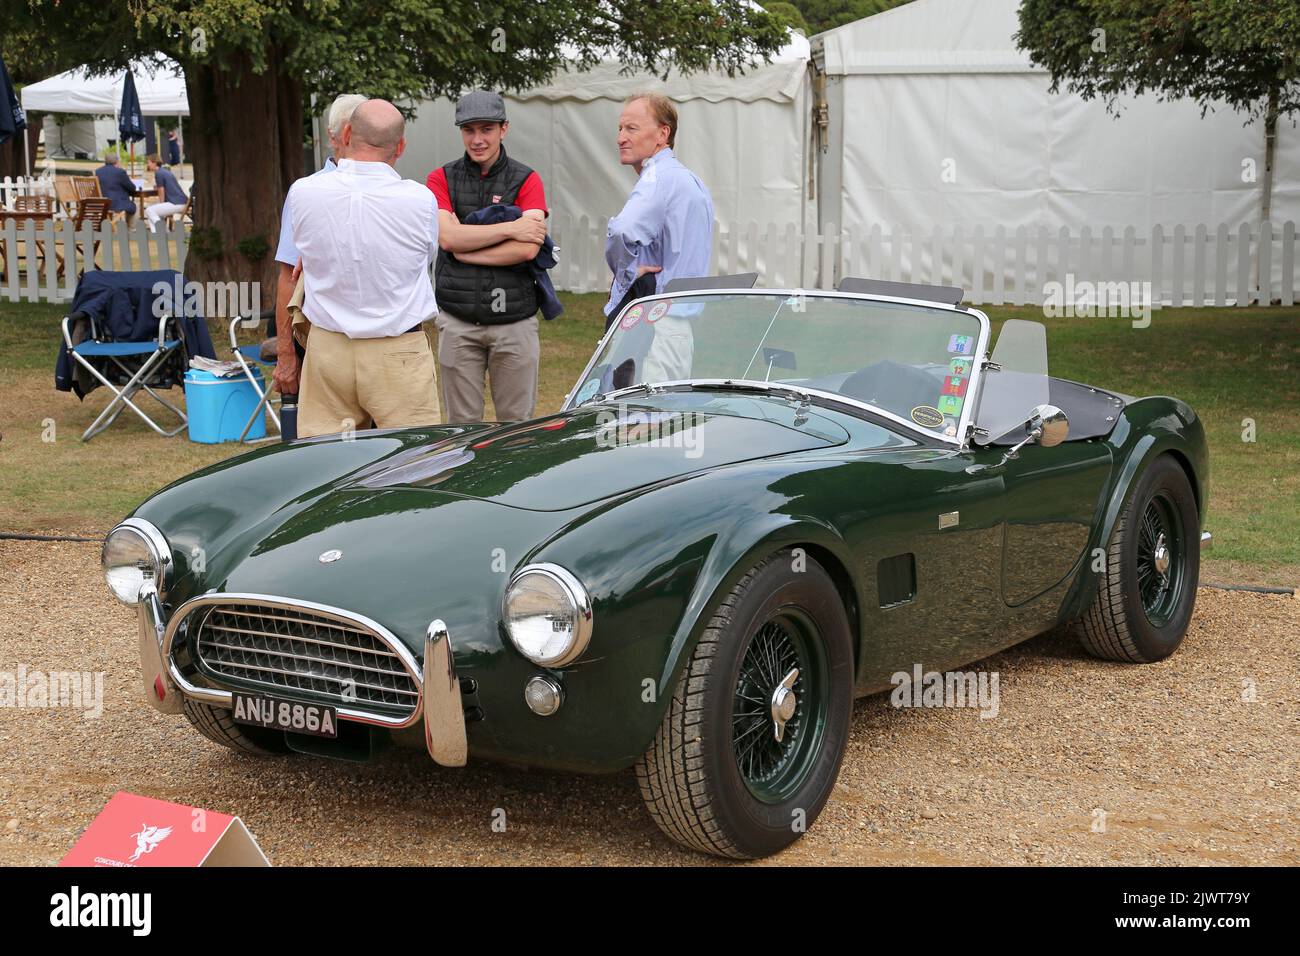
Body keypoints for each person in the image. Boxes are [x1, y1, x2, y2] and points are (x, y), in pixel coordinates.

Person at [289, 99, 441, 438]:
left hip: (328, 349)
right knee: (412, 458)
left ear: (346, 134)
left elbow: (306, 251)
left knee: (327, 459)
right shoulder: (420, 199)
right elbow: (425, 257)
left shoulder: (304, 192)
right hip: (397, 349)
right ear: (400, 147)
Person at [426, 90, 549, 423]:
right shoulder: (441, 178)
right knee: (461, 429)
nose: (477, 139)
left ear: (503, 129)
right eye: (469, 130)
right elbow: (447, 237)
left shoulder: (527, 178)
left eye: (486, 129)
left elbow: (527, 248)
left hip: (515, 322)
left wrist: (465, 251)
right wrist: (511, 228)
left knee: (516, 428)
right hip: (458, 320)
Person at [604, 94, 714, 382]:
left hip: (655, 325)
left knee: (636, 409)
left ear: (663, 134)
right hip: (675, 325)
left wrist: (626, 273)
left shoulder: (659, 178)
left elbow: (622, 230)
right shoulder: (687, 179)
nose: (620, 138)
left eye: (632, 128)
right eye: (620, 128)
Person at [272, 93, 368, 398]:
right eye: (352, 134)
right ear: (334, 136)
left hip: (378, 346)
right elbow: (289, 276)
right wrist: (286, 354)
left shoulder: (388, 189)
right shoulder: (307, 193)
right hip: (321, 342)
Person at [143, 155, 188, 232]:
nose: (148, 165)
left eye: (149, 163)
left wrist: (161, 204)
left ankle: (164, 231)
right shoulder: (164, 172)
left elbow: (161, 191)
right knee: (153, 213)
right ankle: (156, 234)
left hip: (176, 203)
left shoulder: (158, 173)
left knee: (149, 210)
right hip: (182, 202)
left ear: (154, 163)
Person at [94, 153, 142, 222]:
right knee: (135, 206)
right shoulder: (120, 172)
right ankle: (131, 227)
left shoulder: (98, 172)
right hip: (116, 204)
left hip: (103, 204)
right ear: (117, 161)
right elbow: (132, 188)